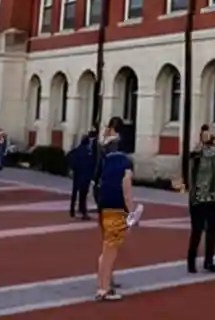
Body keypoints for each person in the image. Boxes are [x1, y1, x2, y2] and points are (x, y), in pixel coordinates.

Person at [94, 117, 141, 302]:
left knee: (107, 248)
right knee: (110, 249)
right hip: (116, 206)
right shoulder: (125, 163)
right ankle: (104, 288)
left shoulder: (105, 155)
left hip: (103, 203)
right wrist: (131, 211)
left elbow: (98, 177)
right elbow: (126, 185)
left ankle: (104, 284)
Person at [186, 124, 215, 274]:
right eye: (205, 134)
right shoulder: (196, 154)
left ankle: (209, 261)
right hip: (199, 197)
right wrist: (193, 195)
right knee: (197, 230)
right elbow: (191, 175)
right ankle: (191, 260)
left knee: (212, 230)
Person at [70, 130, 98, 220]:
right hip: (84, 176)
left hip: (77, 175)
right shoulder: (88, 152)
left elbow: (72, 160)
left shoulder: (78, 150)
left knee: (75, 193)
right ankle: (83, 211)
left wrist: (73, 169)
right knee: (83, 194)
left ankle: (73, 211)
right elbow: (90, 164)